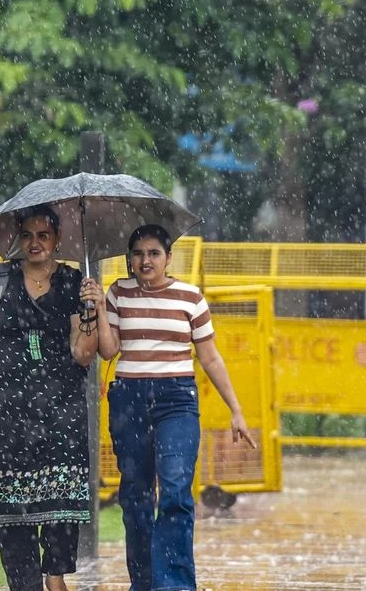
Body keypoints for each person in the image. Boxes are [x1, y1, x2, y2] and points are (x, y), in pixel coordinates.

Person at [80, 224, 257, 591]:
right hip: (129, 398)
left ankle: (174, 585)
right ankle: (144, 583)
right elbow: (109, 351)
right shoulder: (118, 293)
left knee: (176, 489)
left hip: (177, 400)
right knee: (136, 495)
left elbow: (210, 358)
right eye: (139, 254)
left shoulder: (190, 298)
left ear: (168, 258)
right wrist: (98, 307)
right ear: (130, 260)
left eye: (154, 253)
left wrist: (236, 410)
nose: (146, 261)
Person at [0, 204, 99, 591]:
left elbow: (83, 354)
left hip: (60, 415)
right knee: (10, 515)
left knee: (60, 504)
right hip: (5, 415)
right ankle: (25, 584)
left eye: (43, 235)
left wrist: (90, 310)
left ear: (57, 240)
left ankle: (55, 575)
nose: (35, 243)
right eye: (28, 235)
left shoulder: (72, 282)